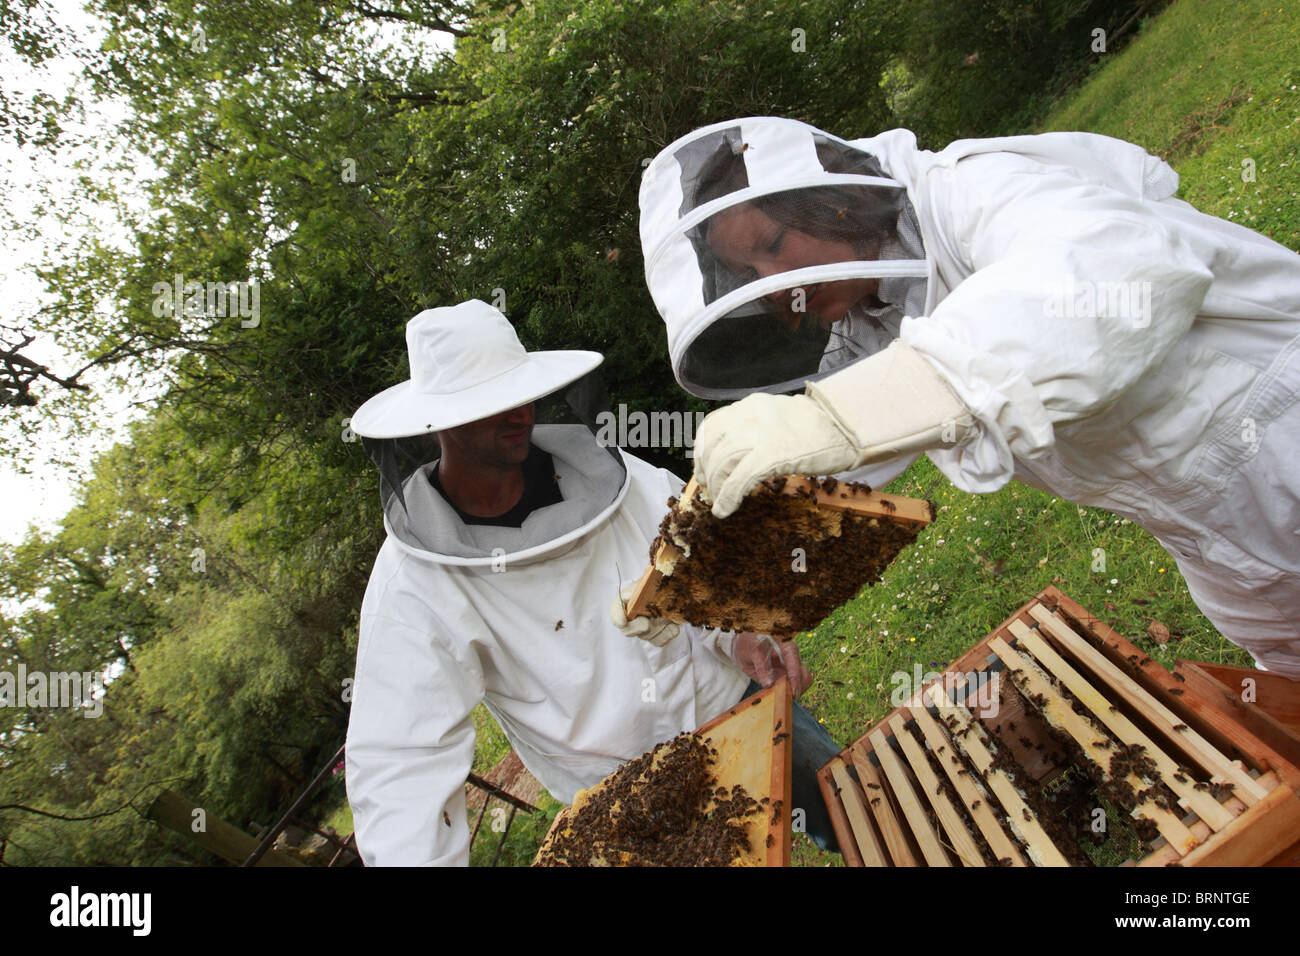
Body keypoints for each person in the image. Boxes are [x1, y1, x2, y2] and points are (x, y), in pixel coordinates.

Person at [638, 116, 1300, 679]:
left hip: (1279, 429)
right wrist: (698, 589)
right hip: (1203, 533)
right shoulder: (869, 318)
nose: (776, 284)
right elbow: (834, 463)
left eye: (774, 245)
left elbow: (1110, 268)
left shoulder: (964, 189)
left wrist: (858, 411)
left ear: (828, 198)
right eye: (749, 274)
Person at [343, 299, 836, 866]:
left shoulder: (612, 477)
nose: (520, 414)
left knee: (848, 803)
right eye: (492, 404)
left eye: (520, 393)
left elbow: (703, 567)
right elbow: (403, 767)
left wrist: (740, 636)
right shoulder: (415, 588)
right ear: (440, 426)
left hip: (740, 703)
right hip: (633, 796)